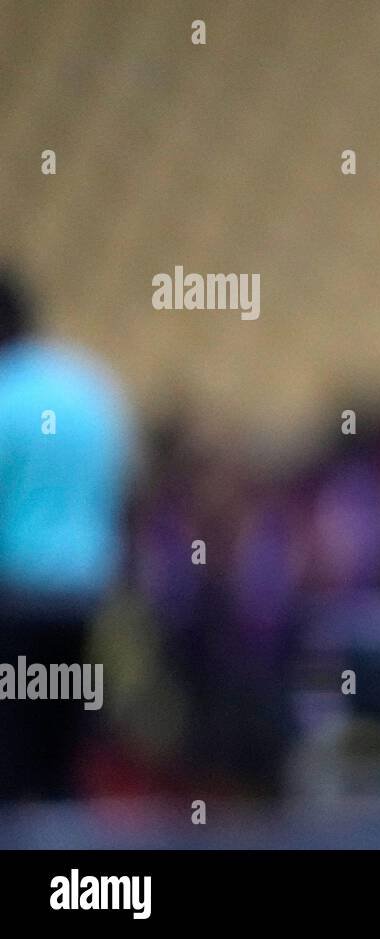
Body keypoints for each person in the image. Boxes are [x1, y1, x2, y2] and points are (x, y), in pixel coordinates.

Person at [0, 269, 134, 799]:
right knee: (66, 742)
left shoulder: (6, 393)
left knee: (13, 752)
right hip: (87, 595)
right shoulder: (90, 385)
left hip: (15, 598)